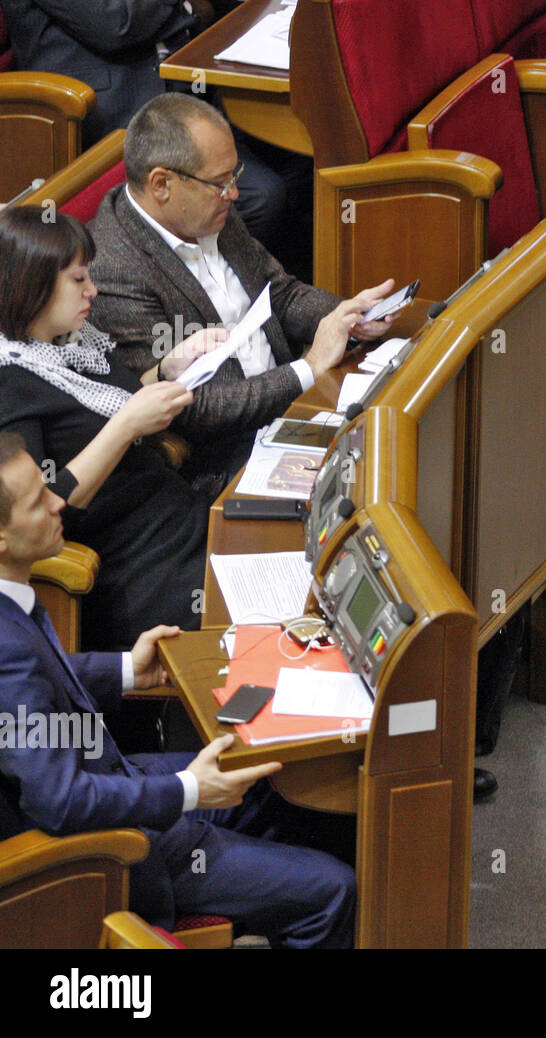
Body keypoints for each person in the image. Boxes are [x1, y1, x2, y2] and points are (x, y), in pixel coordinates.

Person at [0, 433, 356, 946]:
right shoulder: (6, 650)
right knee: (334, 890)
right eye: (38, 502)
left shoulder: (13, 605)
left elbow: (38, 685)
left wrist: (128, 669)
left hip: (117, 776)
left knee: (263, 772)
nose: (59, 502)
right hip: (112, 844)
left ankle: (264, 903)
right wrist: (188, 789)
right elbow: (59, 802)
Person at [0, 205, 367, 651]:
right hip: (139, 567)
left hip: (181, 517)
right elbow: (45, 502)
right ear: (32, 286)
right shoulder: (11, 381)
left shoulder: (71, 340)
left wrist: (168, 368)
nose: (92, 291)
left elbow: (103, 404)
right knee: (303, 615)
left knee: (329, 551)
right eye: (78, 280)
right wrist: (126, 425)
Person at [88, 93, 395, 490]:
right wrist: (310, 368)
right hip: (229, 454)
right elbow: (197, 410)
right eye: (221, 183)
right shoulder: (114, 269)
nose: (234, 194)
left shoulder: (204, 205)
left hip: (295, 402)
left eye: (234, 176)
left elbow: (280, 295)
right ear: (161, 184)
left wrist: (349, 316)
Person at [0, 0, 311, 254]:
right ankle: (205, 307)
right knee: (261, 196)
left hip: (192, 80)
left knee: (306, 150)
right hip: (114, 108)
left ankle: (278, 303)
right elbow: (117, 24)